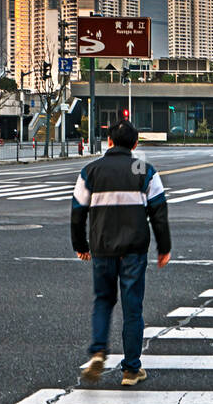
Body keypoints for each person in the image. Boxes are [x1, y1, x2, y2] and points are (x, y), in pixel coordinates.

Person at [71, 118, 171, 386]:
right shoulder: (144, 170)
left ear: (109, 142)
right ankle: (130, 369)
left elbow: (77, 213)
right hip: (134, 250)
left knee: (103, 300)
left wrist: (80, 246)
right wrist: (164, 247)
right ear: (135, 145)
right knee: (132, 308)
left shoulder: (90, 171)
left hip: (102, 248)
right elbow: (159, 213)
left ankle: (98, 351)